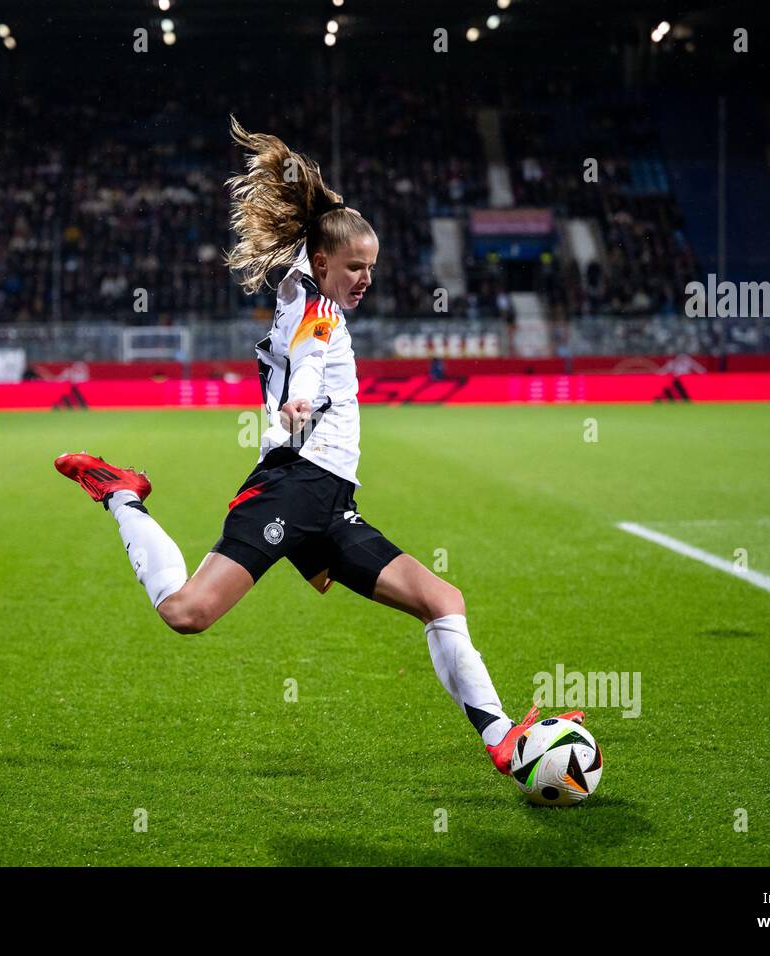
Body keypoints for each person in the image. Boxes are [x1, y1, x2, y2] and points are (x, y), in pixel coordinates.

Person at [55, 116, 582, 775]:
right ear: (324, 261)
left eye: (372, 267)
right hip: (296, 487)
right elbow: (308, 349)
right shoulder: (313, 303)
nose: (365, 278)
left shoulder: (310, 293)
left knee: (442, 600)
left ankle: (502, 739)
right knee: (188, 612)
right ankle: (123, 494)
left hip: (327, 501)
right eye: (355, 266)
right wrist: (300, 395)